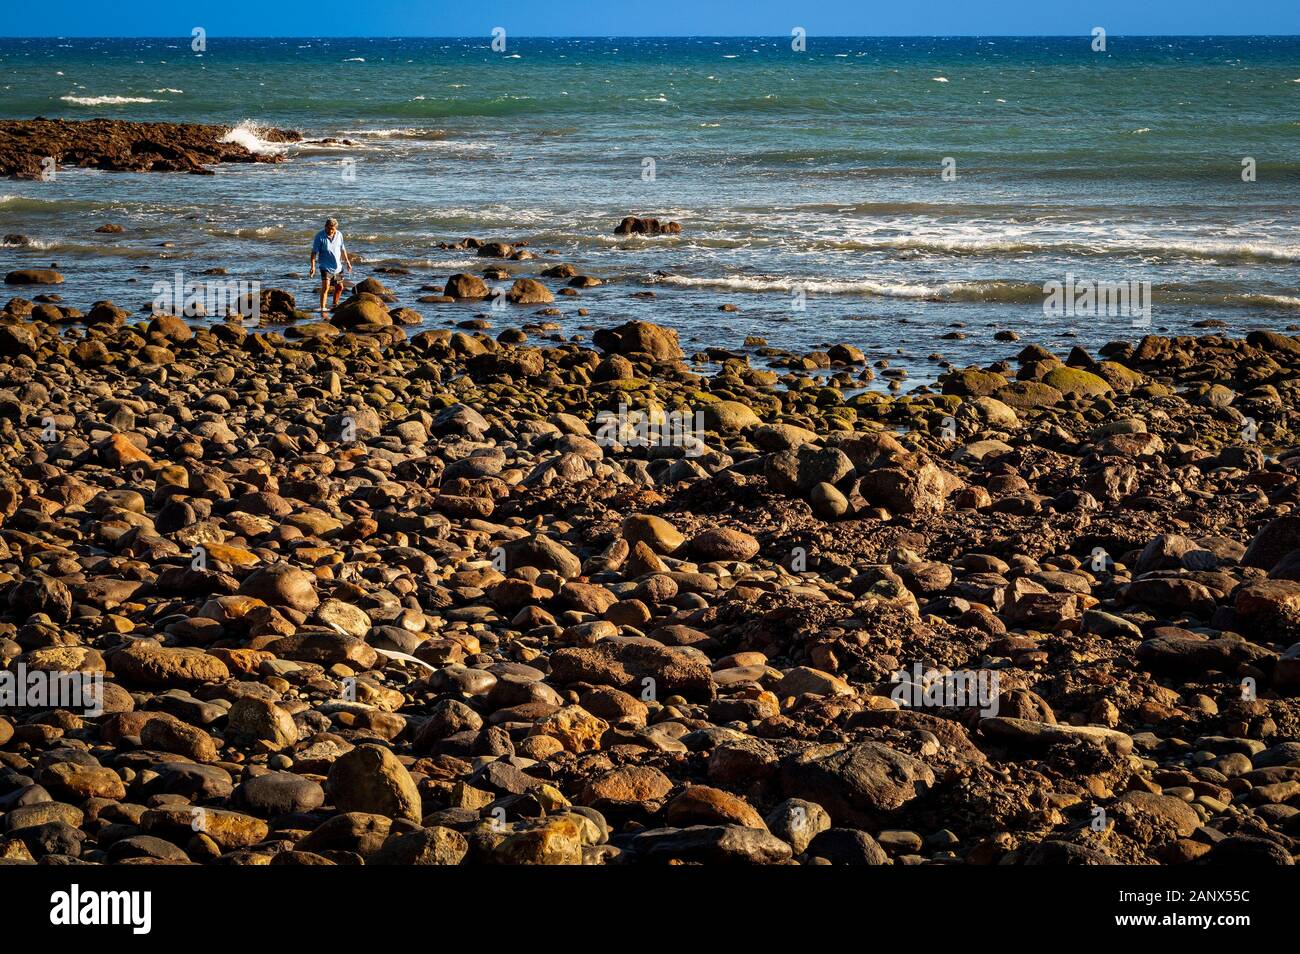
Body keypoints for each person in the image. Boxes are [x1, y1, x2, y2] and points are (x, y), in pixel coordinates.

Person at [309, 217, 353, 312]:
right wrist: (313, 267)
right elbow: (314, 253)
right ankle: (322, 308)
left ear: (336, 228)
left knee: (339, 287)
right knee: (326, 287)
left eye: (333, 229)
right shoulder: (319, 236)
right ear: (325, 226)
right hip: (325, 267)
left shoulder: (339, 235)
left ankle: (334, 304)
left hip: (338, 267)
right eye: (329, 228)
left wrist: (348, 262)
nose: (331, 231)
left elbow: (343, 249)